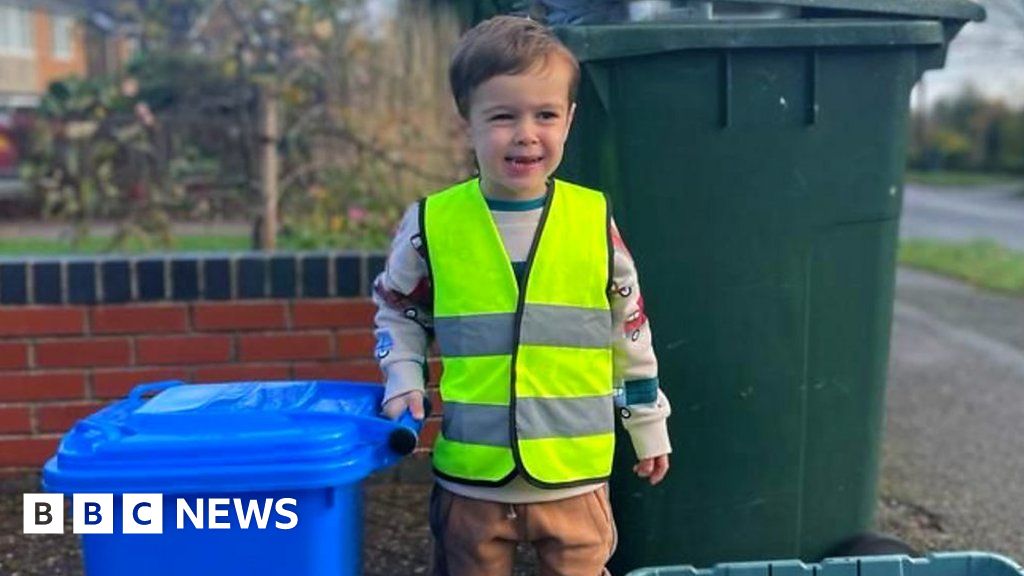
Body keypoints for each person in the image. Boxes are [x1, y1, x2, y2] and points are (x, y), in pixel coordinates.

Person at [372, 15, 671, 576]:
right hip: (472, 481)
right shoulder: (431, 224)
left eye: (546, 115)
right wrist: (403, 376)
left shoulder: (592, 221)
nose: (526, 133)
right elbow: (397, 307)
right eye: (503, 116)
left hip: (574, 475)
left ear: (570, 120)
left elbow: (628, 326)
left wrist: (647, 421)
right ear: (468, 123)